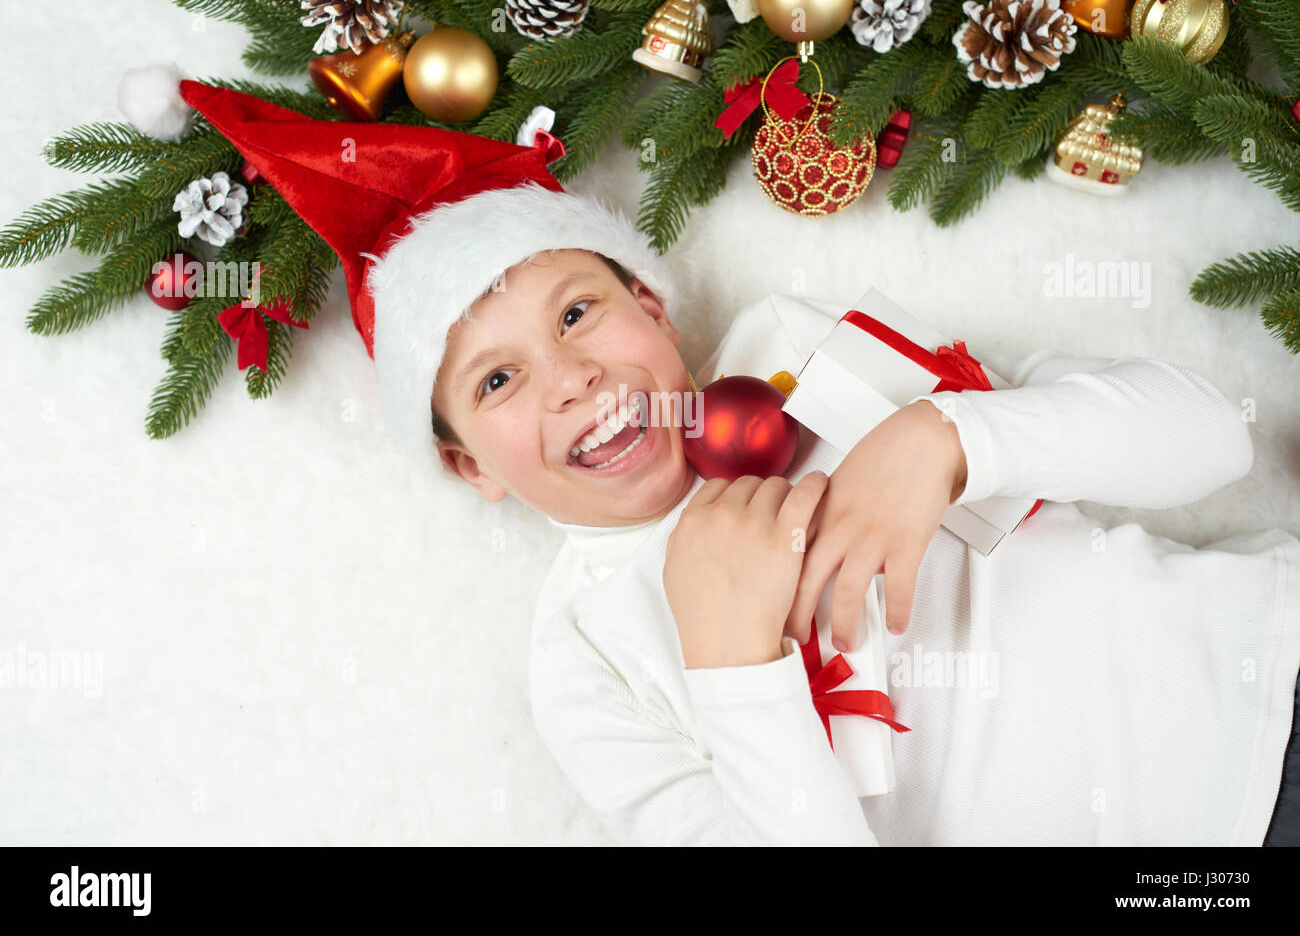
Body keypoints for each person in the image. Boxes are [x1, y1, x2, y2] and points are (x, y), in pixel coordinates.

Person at [178, 81, 1300, 846]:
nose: (568, 376)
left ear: (653, 307)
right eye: (497, 382)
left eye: (578, 310)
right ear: (473, 469)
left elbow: (1216, 438)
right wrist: (731, 665)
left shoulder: (802, 354)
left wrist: (953, 437)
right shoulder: (586, 666)